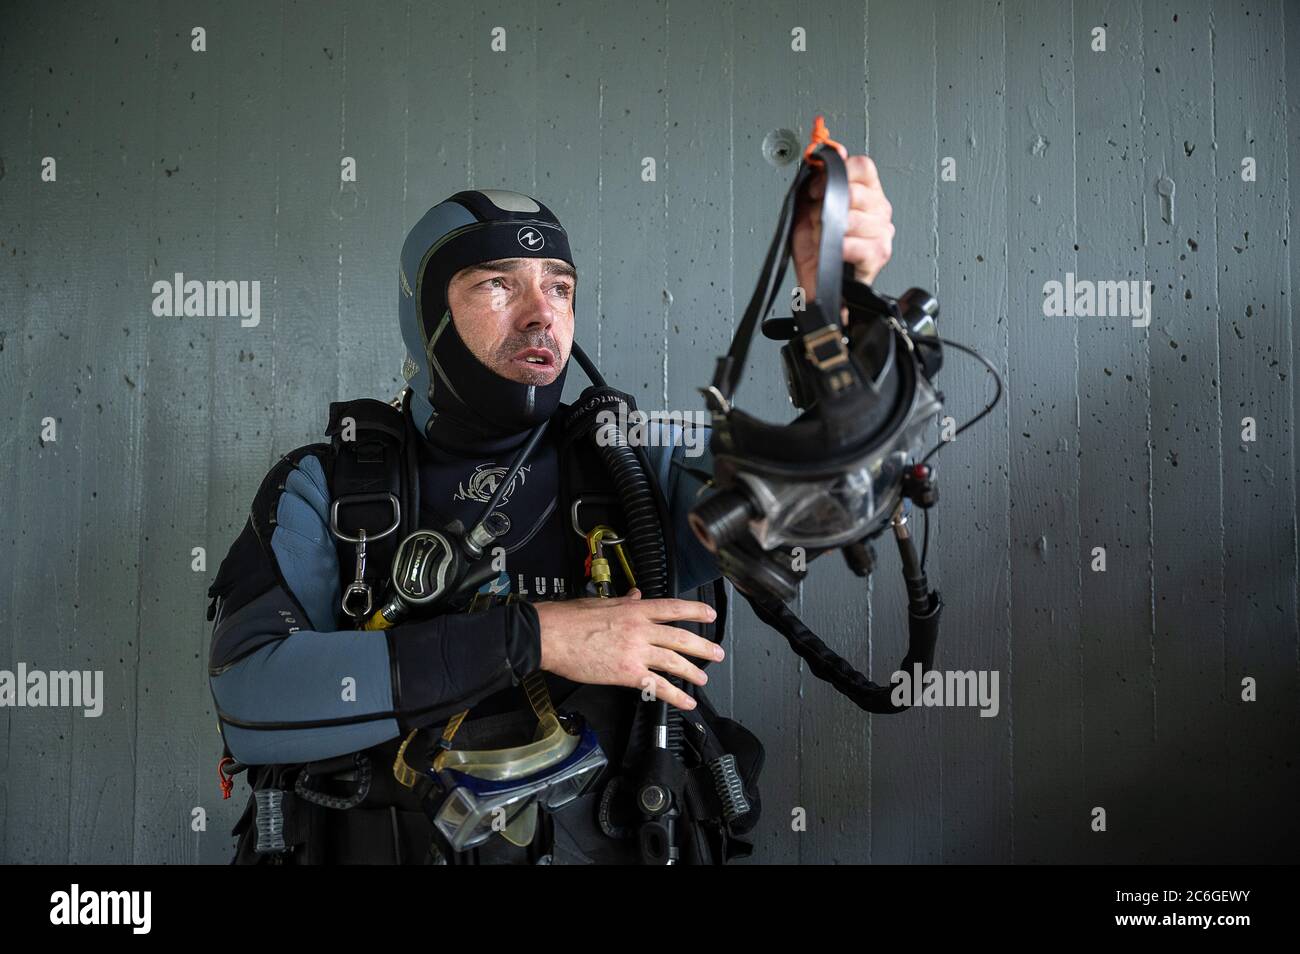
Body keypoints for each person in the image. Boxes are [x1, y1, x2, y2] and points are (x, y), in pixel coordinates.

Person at [206, 152, 894, 865]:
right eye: (496, 284)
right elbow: (253, 698)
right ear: (426, 314)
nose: (541, 314)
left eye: (559, 287)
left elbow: (827, 503)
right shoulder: (332, 486)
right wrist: (532, 638)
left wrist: (839, 310)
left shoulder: (639, 468)